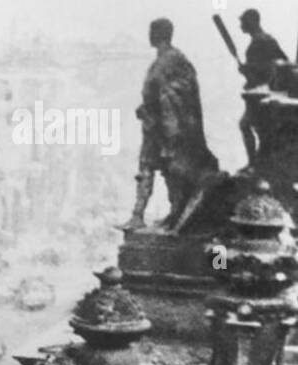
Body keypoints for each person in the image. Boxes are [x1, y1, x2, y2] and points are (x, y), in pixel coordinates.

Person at [123, 18, 219, 232]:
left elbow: (173, 98)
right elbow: (158, 94)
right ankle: (137, 215)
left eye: (152, 30)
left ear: (160, 33)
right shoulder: (162, 60)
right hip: (154, 126)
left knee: (171, 171)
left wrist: (171, 130)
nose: (149, 34)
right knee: (146, 168)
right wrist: (146, 108)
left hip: (168, 129)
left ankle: (175, 215)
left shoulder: (173, 60)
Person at [237, 9, 287, 165]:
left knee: (248, 126)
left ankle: (254, 163)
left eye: (243, 21)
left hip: (260, 95)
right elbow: (282, 61)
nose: (241, 25)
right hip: (262, 93)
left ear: (252, 21)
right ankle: (258, 161)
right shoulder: (268, 40)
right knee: (257, 128)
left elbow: (271, 67)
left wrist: (248, 70)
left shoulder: (260, 42)